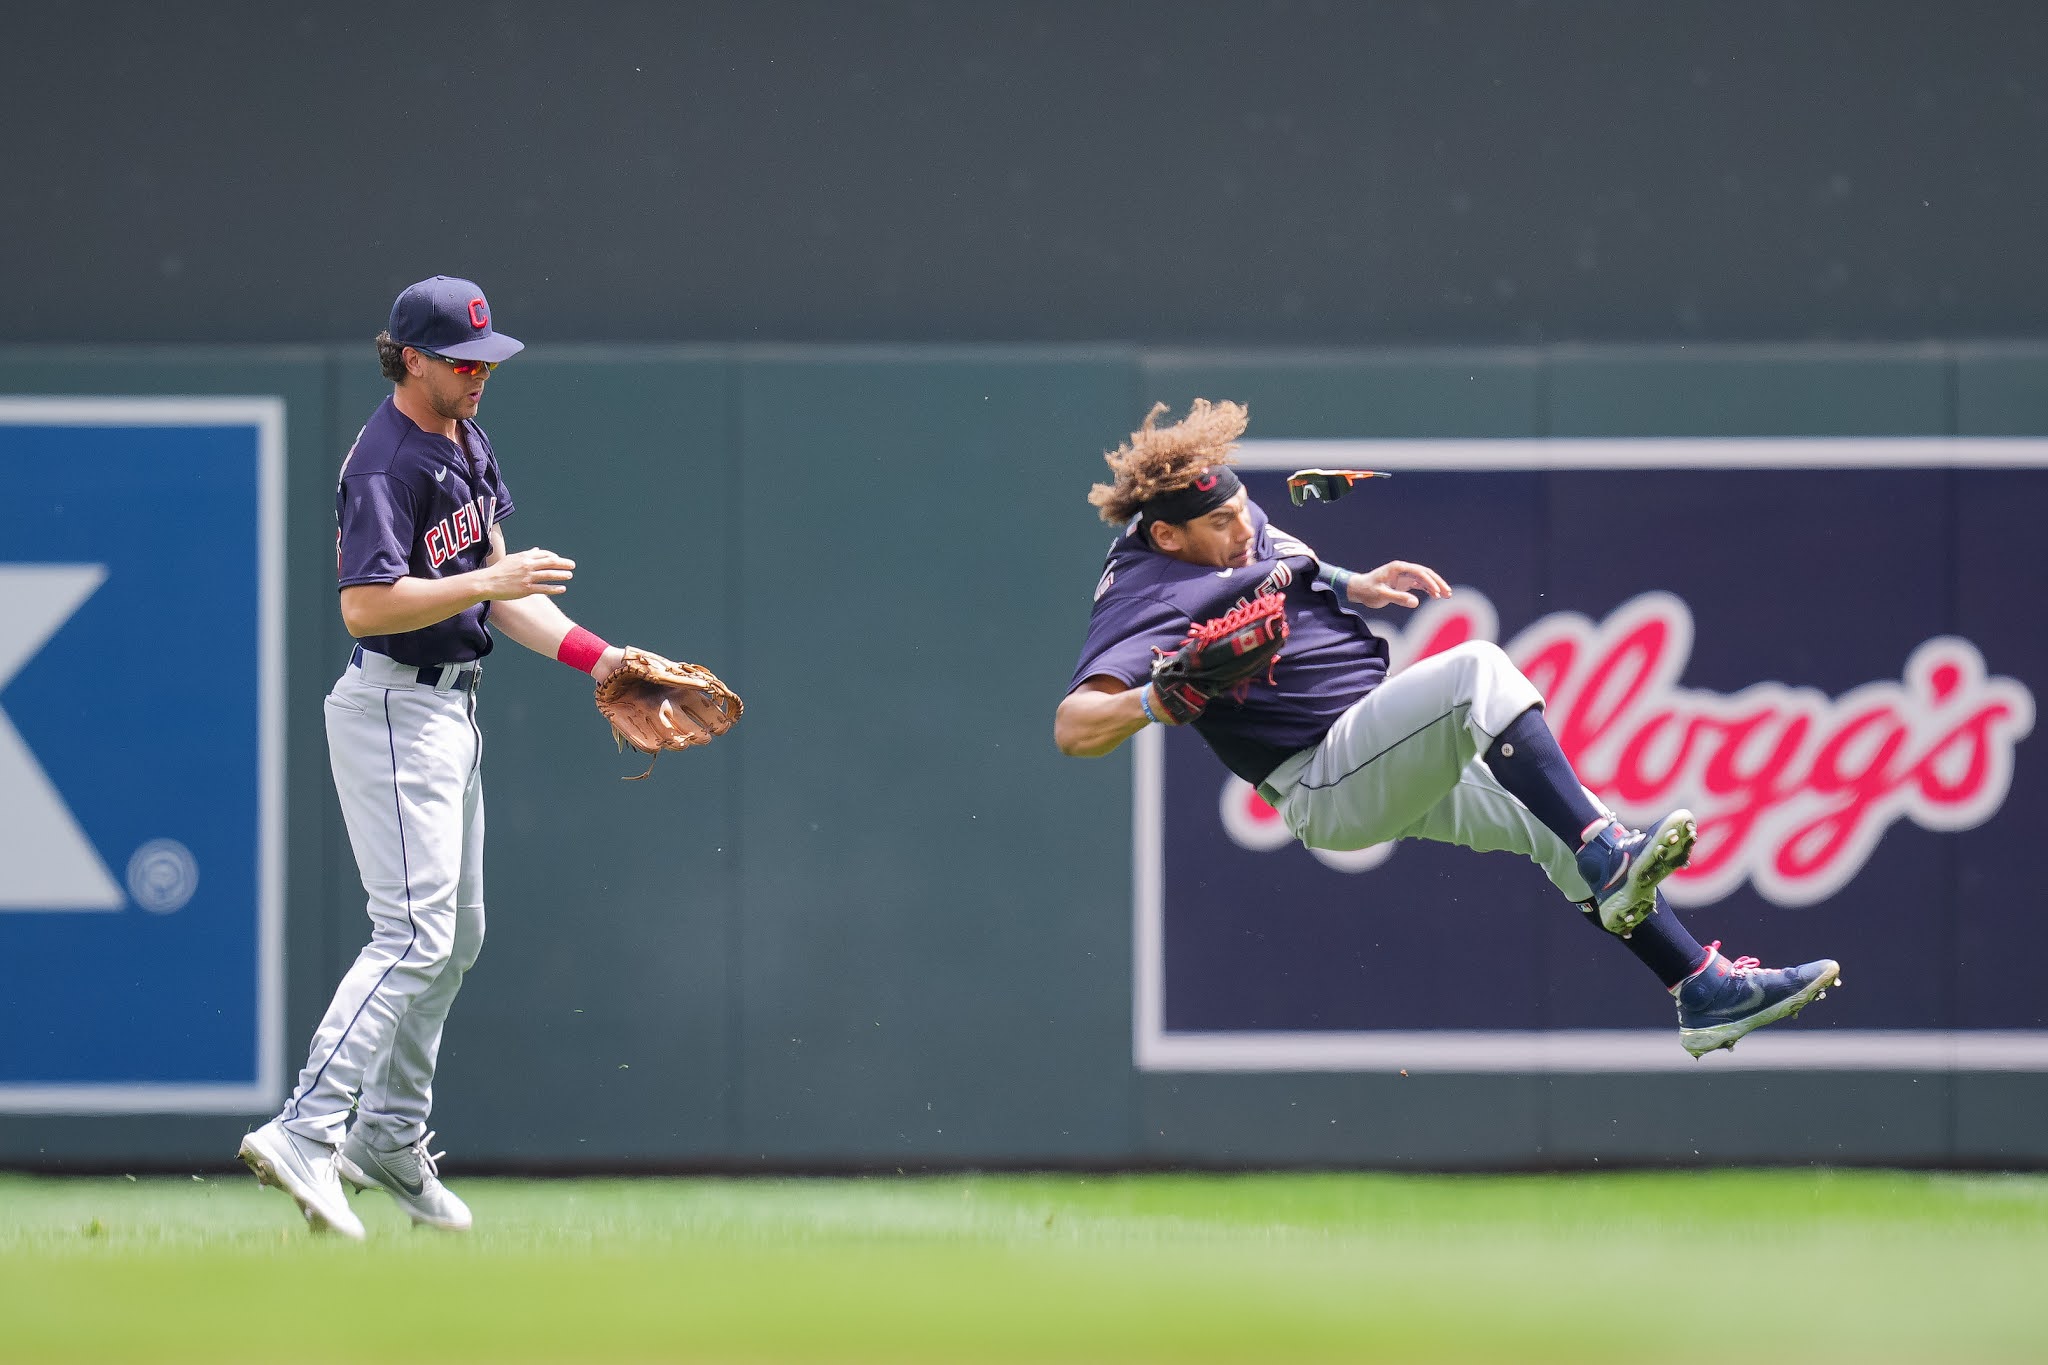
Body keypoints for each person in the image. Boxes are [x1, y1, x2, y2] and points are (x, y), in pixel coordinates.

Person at [1055, 399, 1841, 1056]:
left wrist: (1351, 580)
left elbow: (1279, 559)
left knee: (1547, 824)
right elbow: (1074, 725)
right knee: (1477, 672)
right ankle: (1610, 850)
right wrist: (1155, 702)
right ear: (1167, 536)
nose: (1242, 527)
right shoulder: (1145, 591)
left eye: (1241, 509)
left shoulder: (1228, 521)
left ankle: (1700, 988)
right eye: (1221, 522)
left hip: (1369, 738)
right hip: (1323, 779)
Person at [237, 276, 662, 1238]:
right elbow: (366, 604)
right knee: (414, 932)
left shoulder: (464, 437)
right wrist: (483, 575)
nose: (481, 373)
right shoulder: (384, 462)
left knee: (455, 938)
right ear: (411, 357)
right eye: (463, 360)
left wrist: (603, 658)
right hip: (392, 707)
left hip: (449, 716)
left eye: (487, 359)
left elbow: (500, 595)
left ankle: (388, 1134)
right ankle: (308, 1127)